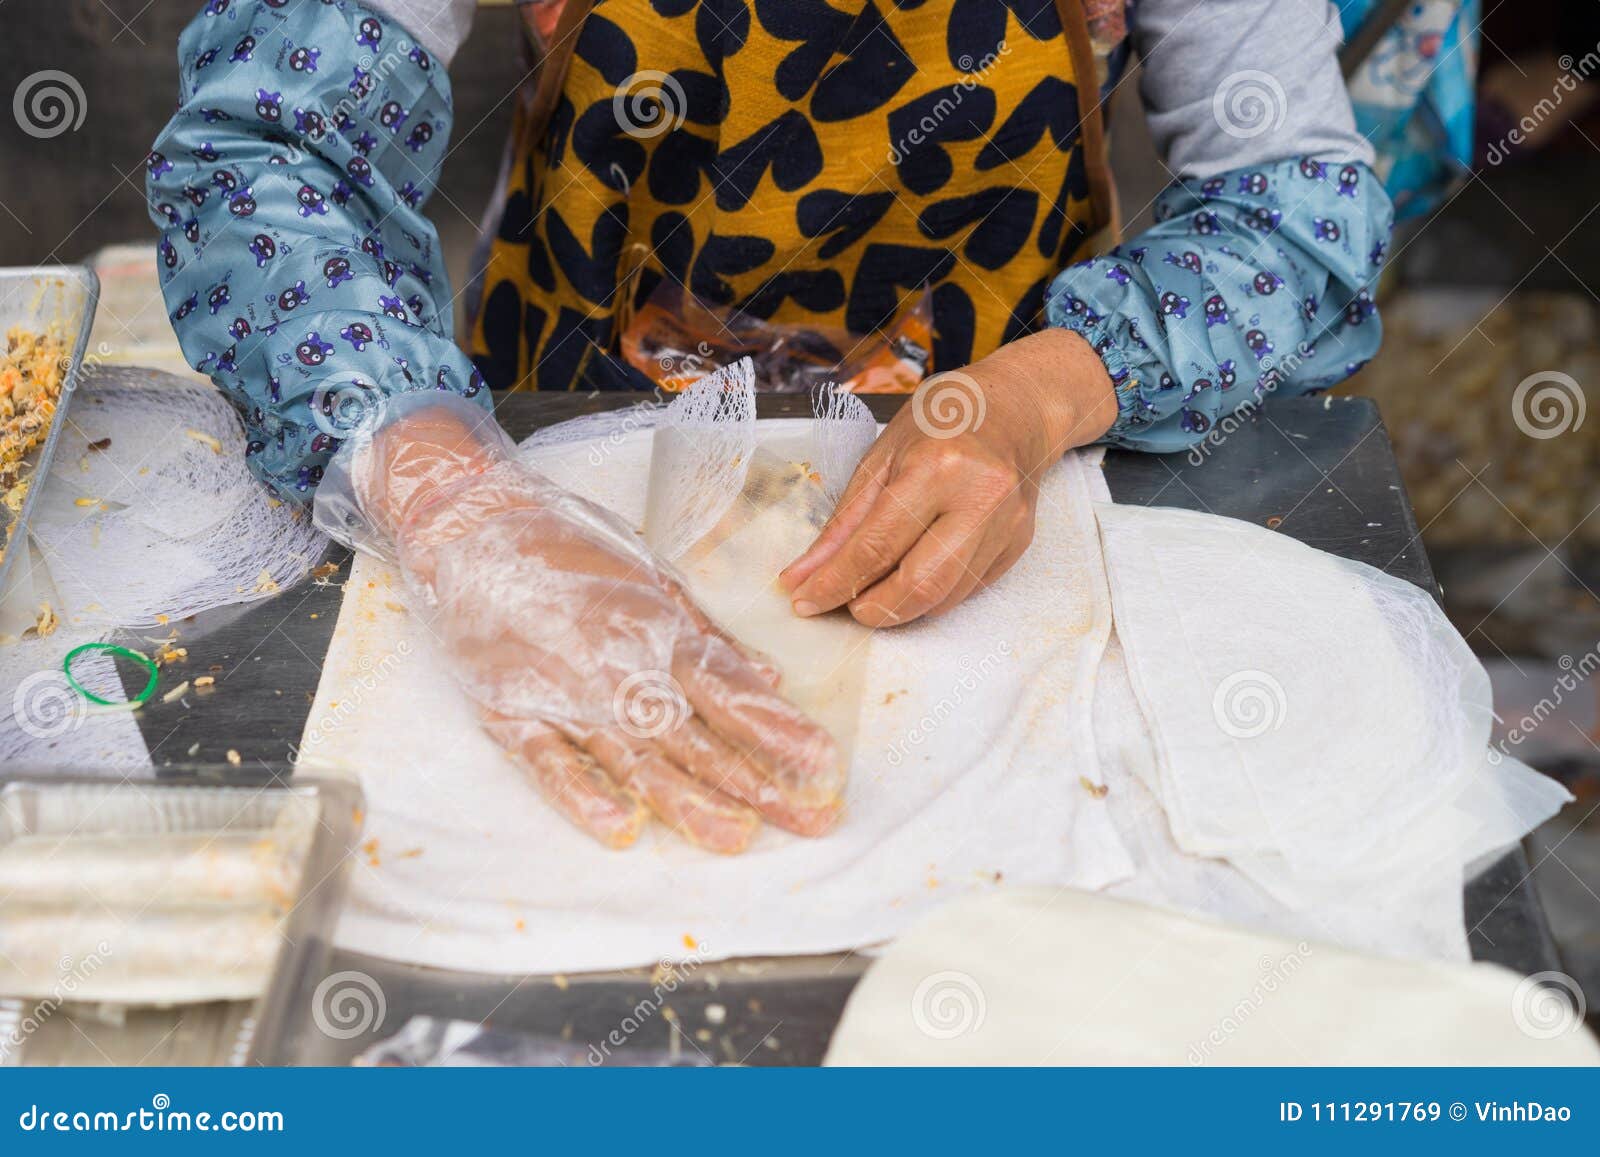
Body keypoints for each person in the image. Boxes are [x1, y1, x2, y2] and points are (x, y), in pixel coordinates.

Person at [146, 0, 1391, 849]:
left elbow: (1296, 211)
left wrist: (1040, 396)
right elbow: (267, 154)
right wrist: (447, 497)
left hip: (1003, 453)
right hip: (561, 413)